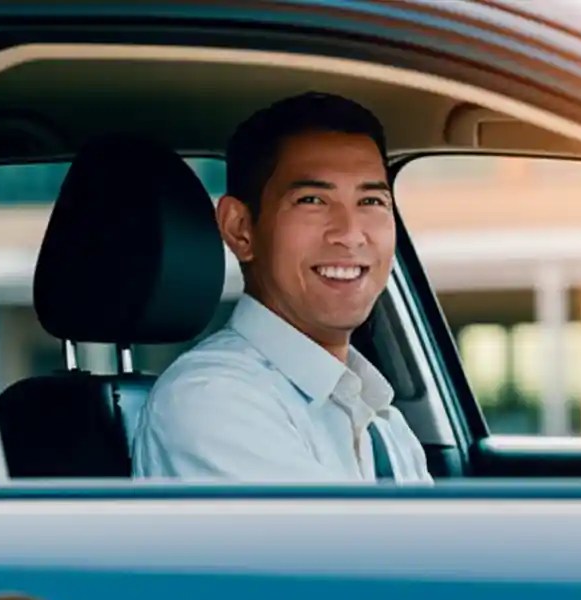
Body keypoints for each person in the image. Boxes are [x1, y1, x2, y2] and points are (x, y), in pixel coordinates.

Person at [132, 93, 432, 484]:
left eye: (371, 200)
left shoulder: (378, 416)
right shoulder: (212, 401)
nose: (350, 233)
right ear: (241, 229)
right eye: (312, 200)